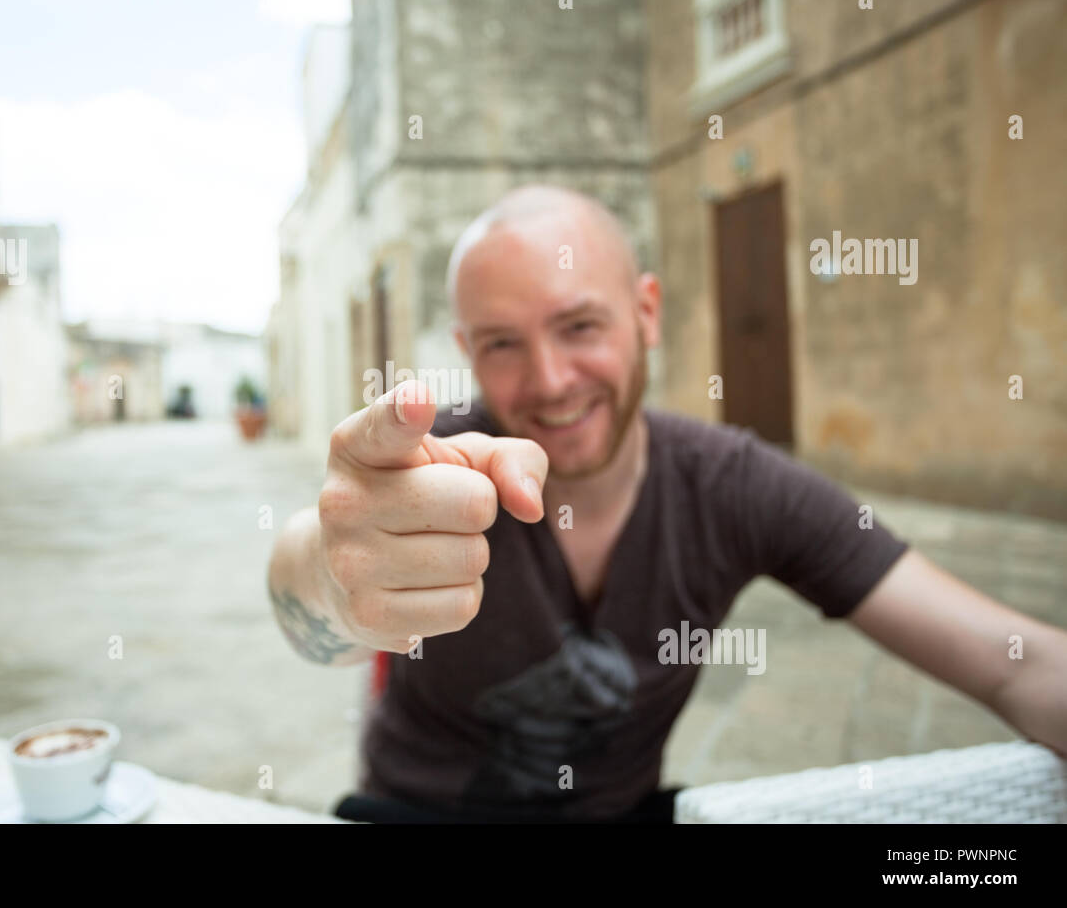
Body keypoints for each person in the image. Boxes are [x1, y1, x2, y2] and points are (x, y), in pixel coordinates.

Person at [266, 184, 1067, 824]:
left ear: (647, 312)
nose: (549, 381)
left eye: (580, 325)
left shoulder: (732, 485)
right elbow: (312, 581)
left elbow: (1013, 663)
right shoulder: (432, 467)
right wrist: (334, 581)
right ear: (467, 351)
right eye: (503, 343)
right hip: (410, 811)